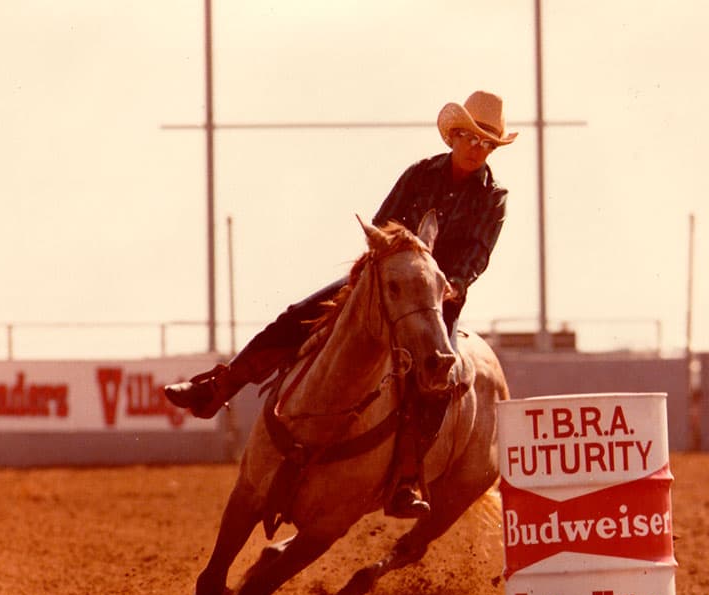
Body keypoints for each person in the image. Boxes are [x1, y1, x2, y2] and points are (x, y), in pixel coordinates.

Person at [164, 90, 516, 518]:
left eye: (487, 143)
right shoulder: (421, 174)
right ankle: (218, 388)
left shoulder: (492, 197)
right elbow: (384, 223)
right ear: (455, 136)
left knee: (438, 377)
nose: (477, 148)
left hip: (436, 299)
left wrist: (448, 286)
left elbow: (476, 255)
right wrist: (395, 262)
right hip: (385, 281)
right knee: (298, 318)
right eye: (472, 138)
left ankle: (407, 478)